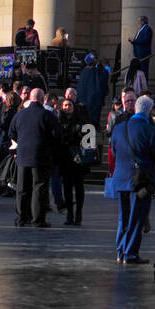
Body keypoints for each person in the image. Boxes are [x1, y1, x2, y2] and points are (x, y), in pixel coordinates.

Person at [112, 94, 155, 263]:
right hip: (140, 179)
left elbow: (113, 150)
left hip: (121, 177)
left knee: (122, 216)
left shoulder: (119, 128)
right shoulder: (150, 130)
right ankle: (130, 252)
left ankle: (120, 251)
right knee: (137, 216)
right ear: (149, 111)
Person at [9, 88, 59, 228]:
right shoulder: (47, 115)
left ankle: (21, 217)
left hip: (23, 156)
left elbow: (11, 132)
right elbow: (57, 136)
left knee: (22, 188)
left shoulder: (20, 115)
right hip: (41, 156)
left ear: (30, 98)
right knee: (39, 187)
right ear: (43, 99)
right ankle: (38, 219)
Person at [57, 95, 90, 225]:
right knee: (67, 188)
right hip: (65, 158)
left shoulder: (81, 120)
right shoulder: (59, 121)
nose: (67, 107)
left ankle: (78, 214)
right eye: (65, 105)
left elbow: (89, 137)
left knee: (79, 187)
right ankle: (69, 214)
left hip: (78, 159)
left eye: (69, 105)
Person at [76, 53, 107, 129]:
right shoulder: (96, 71)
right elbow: (103, 80)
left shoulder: (83, 72)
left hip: (85, 101)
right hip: (93, 101)